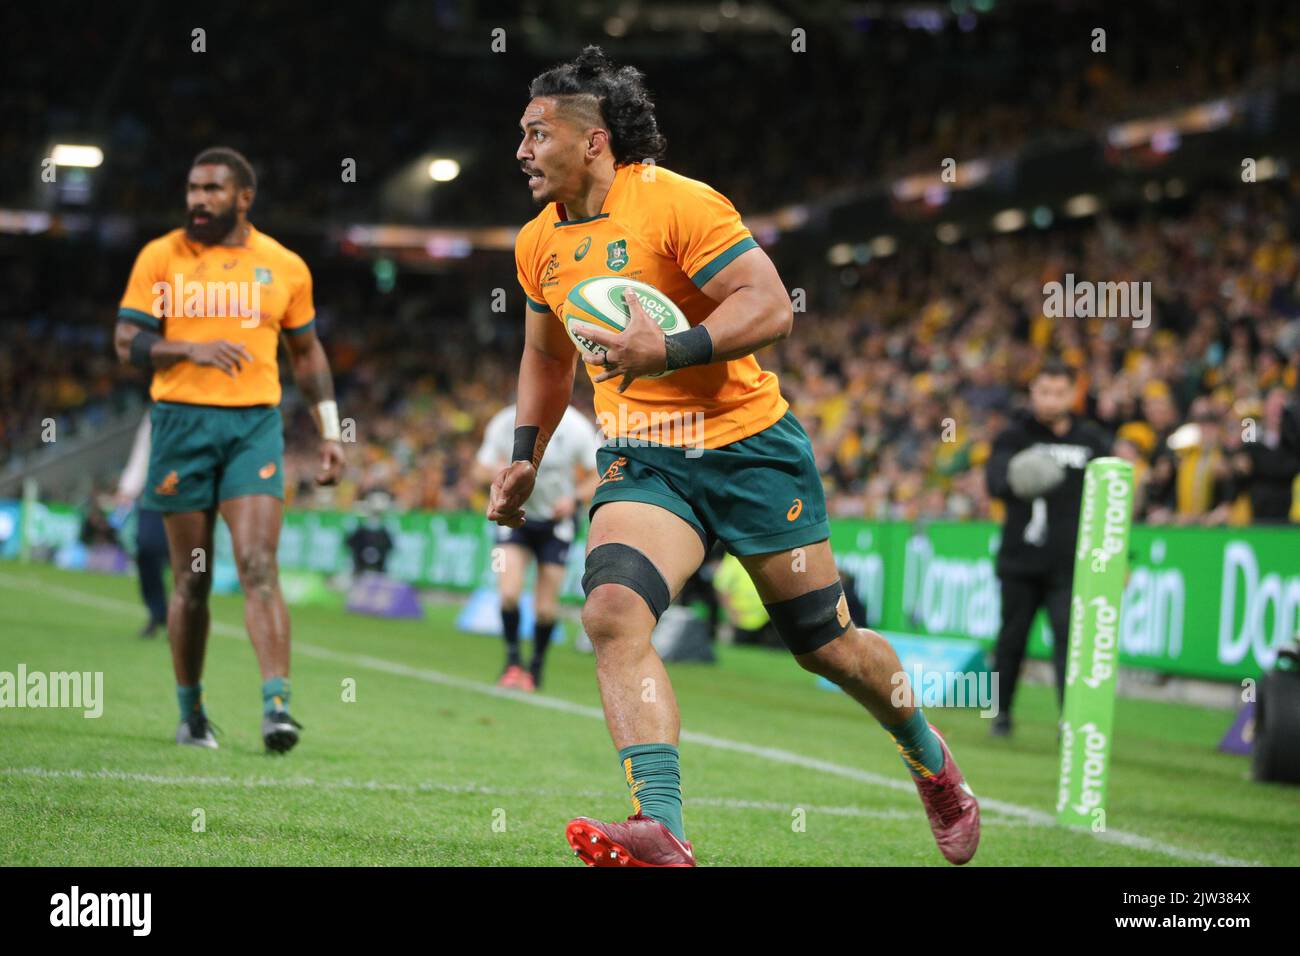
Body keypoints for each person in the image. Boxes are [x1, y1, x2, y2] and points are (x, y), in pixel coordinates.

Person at [488, 46, 980, 867]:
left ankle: (931, 760)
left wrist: (670, 350)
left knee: (827, 646)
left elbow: (770, 303)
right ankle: (661, 827)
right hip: (648, 455)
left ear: (595, 142)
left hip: (751, 447)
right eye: (522, 135)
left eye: (537, 134)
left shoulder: (677, 203)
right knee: (612, 612)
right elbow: (546, 359)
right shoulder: (538, 243)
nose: (522, 151)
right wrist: (526, 454)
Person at [112, 147, 345, 753]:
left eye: (212, 189)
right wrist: (186, 350)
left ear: (243, 196)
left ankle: (277, 710)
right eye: (192, 188)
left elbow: (307, 353)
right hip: (180, 426)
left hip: (252, 429)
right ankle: (191, 714)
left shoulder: (284, 266)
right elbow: (126, 341)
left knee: (259, 565)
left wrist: (330, 431)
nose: (197, 199)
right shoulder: (161, 257)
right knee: (192, 580)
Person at [984, 360, 1112, 738]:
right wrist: (1022, 475)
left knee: (1070, 643)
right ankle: (1001, 713)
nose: (1051, 400)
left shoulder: (1092, 441)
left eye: (1059, 392)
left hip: (1069, 563)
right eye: (1043, 391)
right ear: (1032, 393)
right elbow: (995, 483)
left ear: (1073, 394)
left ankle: (1069, 721)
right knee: (1011, 639)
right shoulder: (1013, 435)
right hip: (1020, 560)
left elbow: (1110, 492)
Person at [475, 402, 599, 691]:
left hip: (556, 524)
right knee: (508, 594)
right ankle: (512, 662)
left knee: (545, 610)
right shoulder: (504, 421)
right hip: (515, 518)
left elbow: (599, 473)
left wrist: (575, 499)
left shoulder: (576, 426)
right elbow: (479, 468)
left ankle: (536, 667)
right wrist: (496, 473)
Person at [115, 411, 170, 638]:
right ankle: (158, 611)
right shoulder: (155, 413)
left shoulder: (205, 404)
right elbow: (142, 451)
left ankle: (186, 617)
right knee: (146, 546)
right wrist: (128, 487)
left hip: (192, 492)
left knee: (189, 559)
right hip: (154, 491)